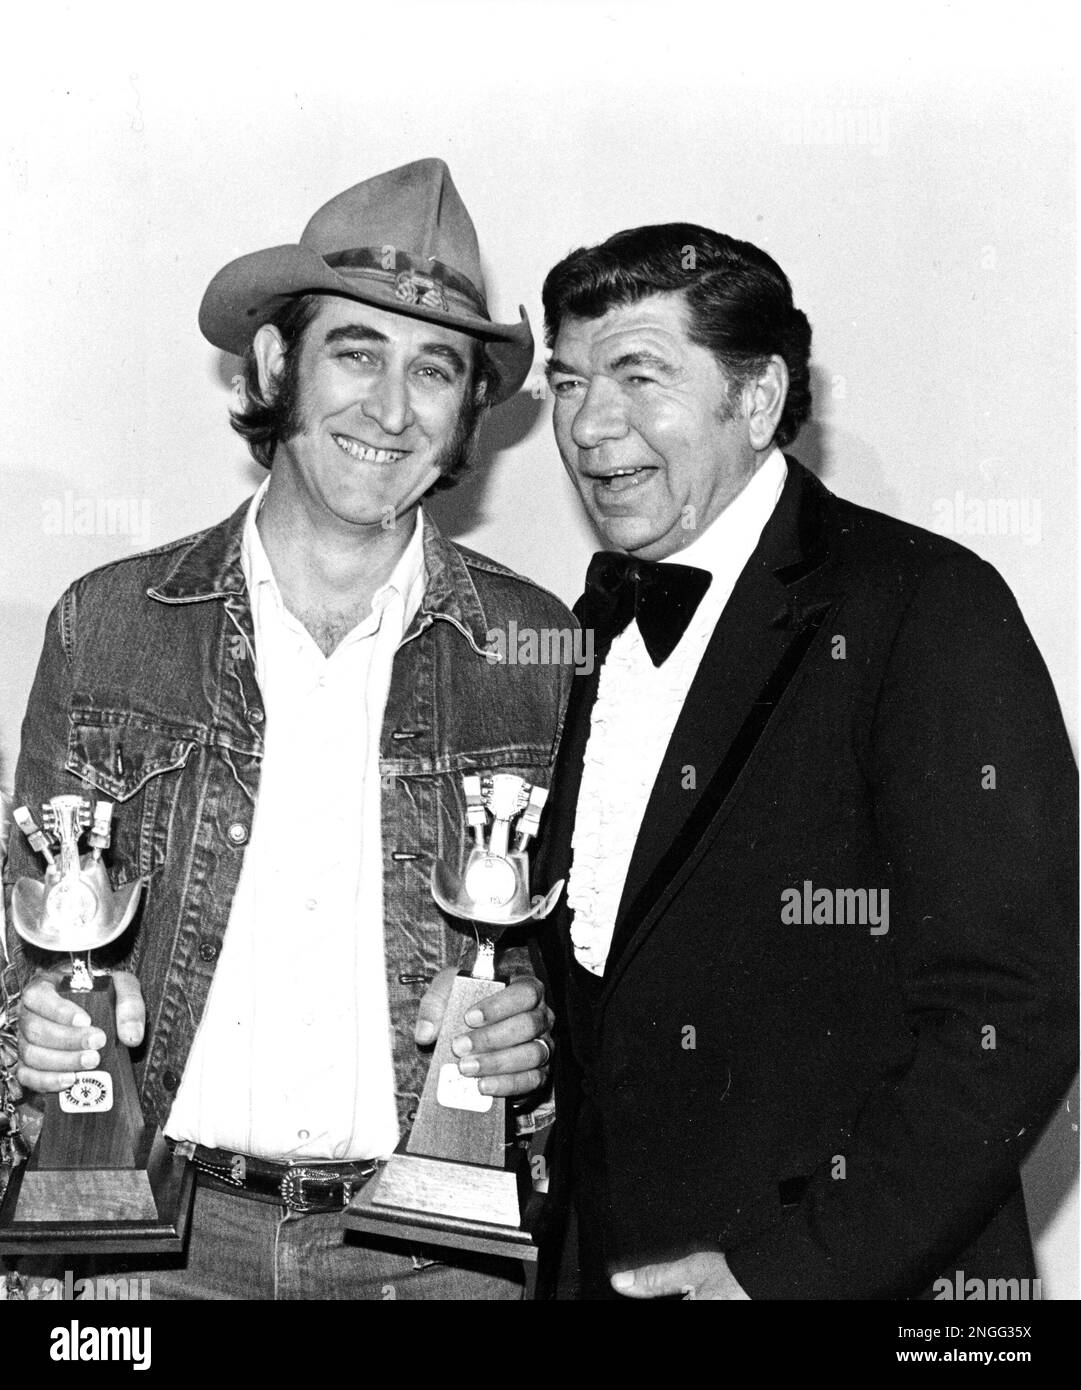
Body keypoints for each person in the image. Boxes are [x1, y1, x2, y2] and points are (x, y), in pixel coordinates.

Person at [4, 158, 570, 1300]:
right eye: (355, 353)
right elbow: (25, 933)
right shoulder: (108, 623)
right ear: (275, 362)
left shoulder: (537, 648)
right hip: (152, 1241)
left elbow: (572, 973)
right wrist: (31, 1045)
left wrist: (537, 1051)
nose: (391, 410)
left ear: (467, 411)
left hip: (438, 1259)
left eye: (435, 370)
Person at [533, 222, 1078, 1300]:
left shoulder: (926, 604)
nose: (589, 424)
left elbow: (1014, 1008)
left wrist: (784, 1278)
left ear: (758, 396)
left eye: (639, 373)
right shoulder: (587, 630)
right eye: (565, 381)